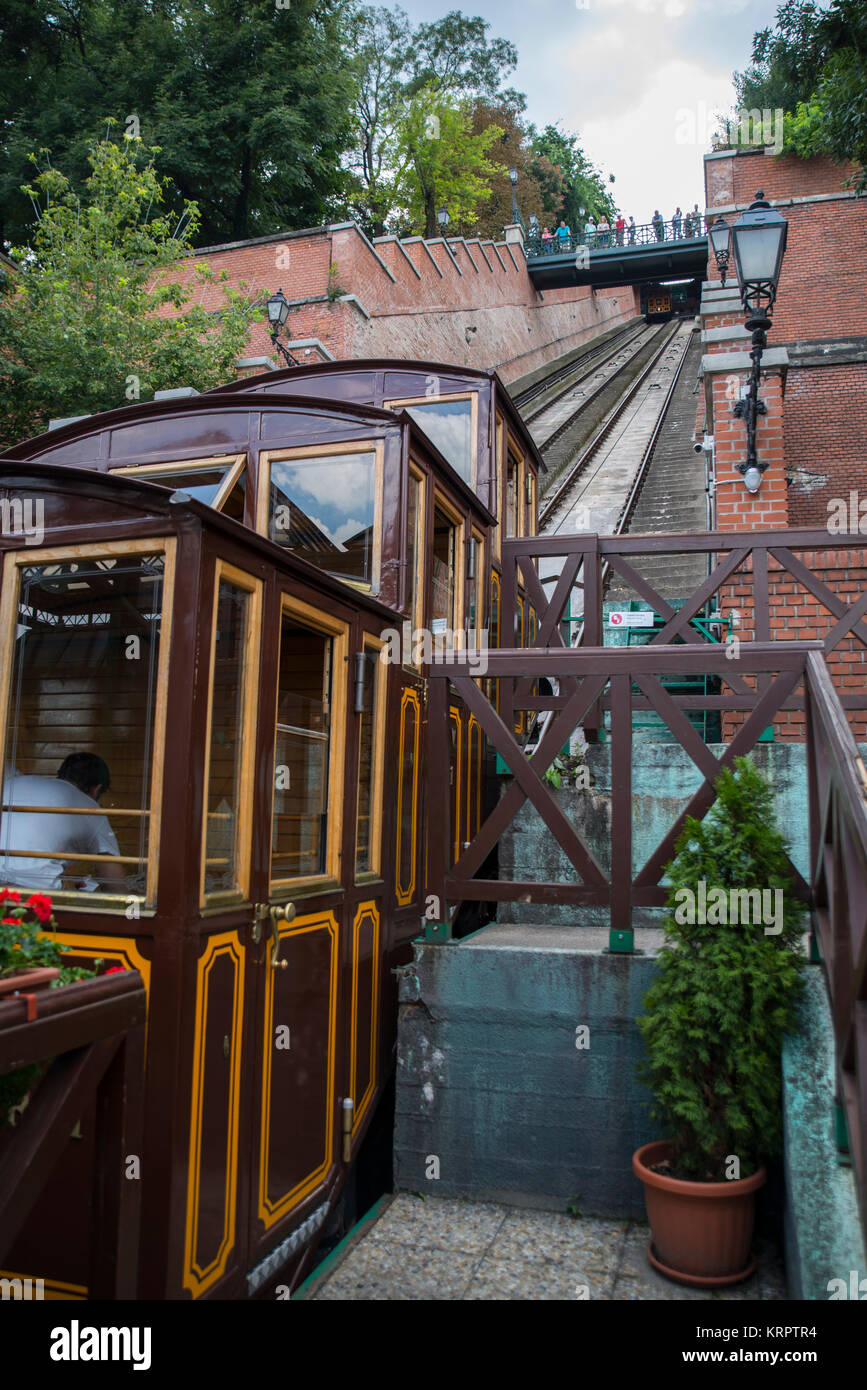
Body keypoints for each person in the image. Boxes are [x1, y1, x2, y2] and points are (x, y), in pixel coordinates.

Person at [0, 753, 124, 892]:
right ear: (96, 789)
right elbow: (112, 875)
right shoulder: (90, 807)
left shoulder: (14, 782)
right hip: (35, 892)